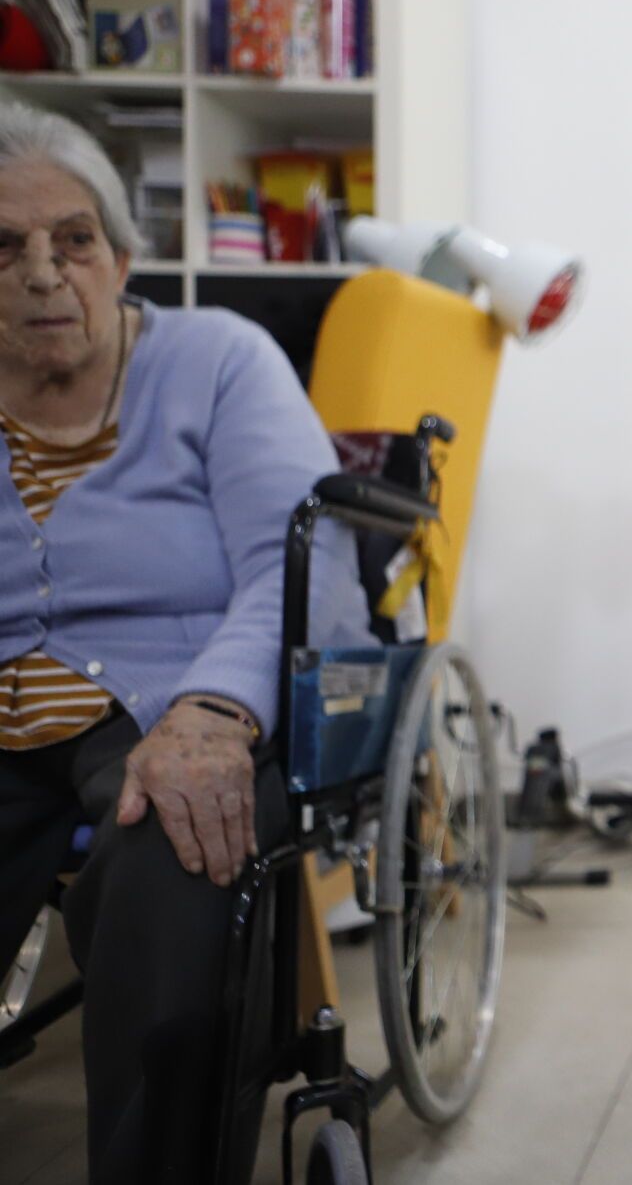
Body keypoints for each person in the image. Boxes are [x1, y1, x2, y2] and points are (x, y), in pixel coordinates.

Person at [0, 104, 367, 1180]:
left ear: (121, 256)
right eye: (3, 247)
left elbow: (303, 567)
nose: (39, 273)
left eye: (71, 239)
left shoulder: (217, 361)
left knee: (178, 854)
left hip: (176, 698)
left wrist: (211, 714)